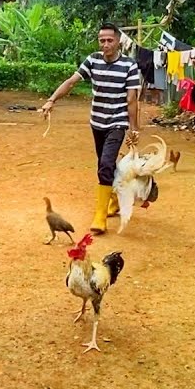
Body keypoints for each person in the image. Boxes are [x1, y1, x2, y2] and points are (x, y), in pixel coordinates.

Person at [40, 23, 142, 235]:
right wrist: (51, 100)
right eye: (102, 40)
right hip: (97, 121)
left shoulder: (129, 65)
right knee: (105, 163)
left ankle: (100, 216)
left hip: (118, 122)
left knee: (105, 164)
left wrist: (134, 128)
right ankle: (113, 199)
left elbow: (131, 99)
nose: (105, 44)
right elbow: (71, 82)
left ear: (118, 41)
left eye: (109, 40)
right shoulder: (93, 60)